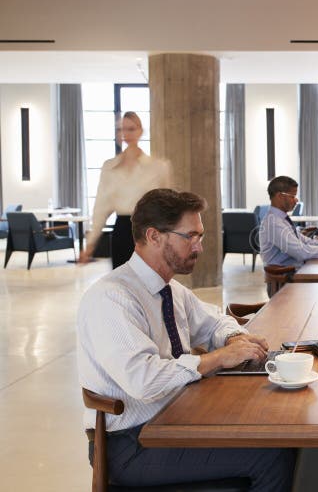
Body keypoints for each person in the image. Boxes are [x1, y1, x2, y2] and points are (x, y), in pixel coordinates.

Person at [77, 189, 294, 490]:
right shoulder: (112, 298)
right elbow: (144, 381)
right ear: (154, 236)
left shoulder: (171, 290)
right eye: (190, 236)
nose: (200, 247)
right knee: (270, 454)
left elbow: (215, 321)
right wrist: (215, 359)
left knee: (273, 428)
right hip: (129, 445)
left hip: (173, 420)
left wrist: (233, 339)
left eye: (201, 236)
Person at [79, 111, 171, 269]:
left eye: (131, 128)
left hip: (148, 232)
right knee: (122, 285)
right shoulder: (109, 167)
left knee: (149, 284)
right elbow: (101, 207)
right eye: (121, 129)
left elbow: (167, 208)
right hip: (121, 231)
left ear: (140, 131)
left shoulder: (158, 167)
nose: (126, 133)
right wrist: (91, 243)